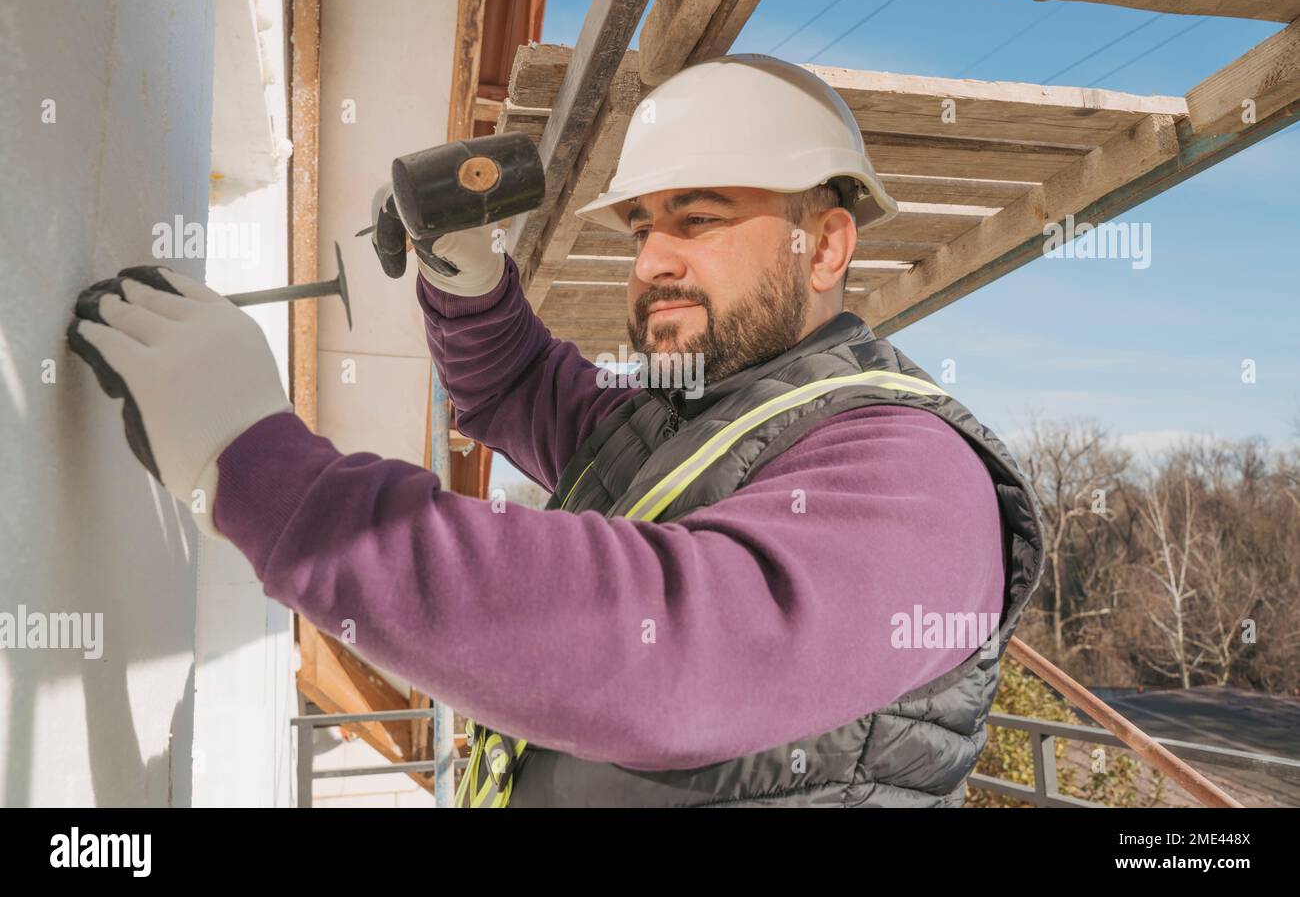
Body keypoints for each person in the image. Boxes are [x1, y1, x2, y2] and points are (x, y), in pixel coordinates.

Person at [68, 54, 1044, 807]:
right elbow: (526, 386)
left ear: (825, 242)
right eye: (641, 228)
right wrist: (467, 275)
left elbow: (666, 654)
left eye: (697, 220)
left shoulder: (919, 476)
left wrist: (260, 463)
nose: (653, 260)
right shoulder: (697, 418)